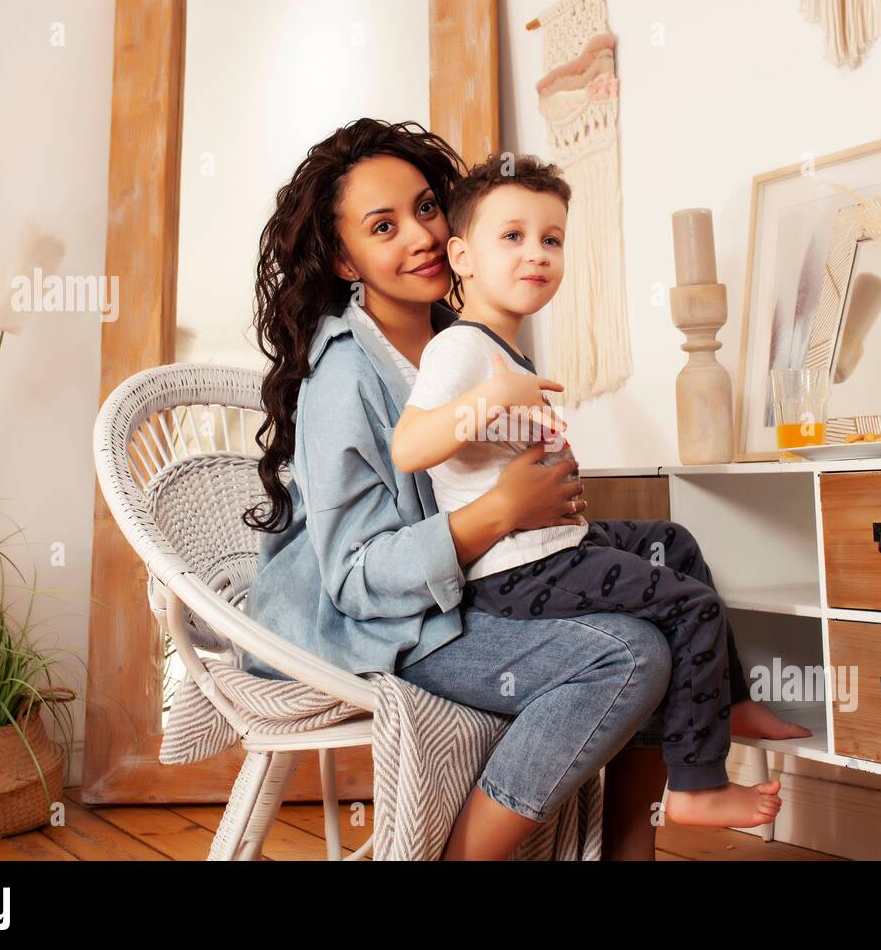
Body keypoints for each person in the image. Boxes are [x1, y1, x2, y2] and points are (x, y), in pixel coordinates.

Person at [243, 118, 675, 860]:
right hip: (393, 623)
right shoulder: (343, 378)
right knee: (630, 653)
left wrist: (547, 511)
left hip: (485, 581)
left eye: (426, 208)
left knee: (668, 570)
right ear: (346, 259)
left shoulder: (466, 338)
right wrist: (503, 511)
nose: (419, 235)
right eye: (384, 226)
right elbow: (355, 579)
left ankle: (628, 854)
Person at [390, 153, 813, 829]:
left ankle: (727, 701)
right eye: (513, 236)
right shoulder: (464, 351)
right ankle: (697, 786)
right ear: (462, 258)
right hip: (520, 570)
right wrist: (495, 394)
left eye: (551, 239)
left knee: (671, 544)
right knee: (692, 608)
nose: (537, 253)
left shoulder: (503, 347)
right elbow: (409, 447)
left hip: (555, 547)